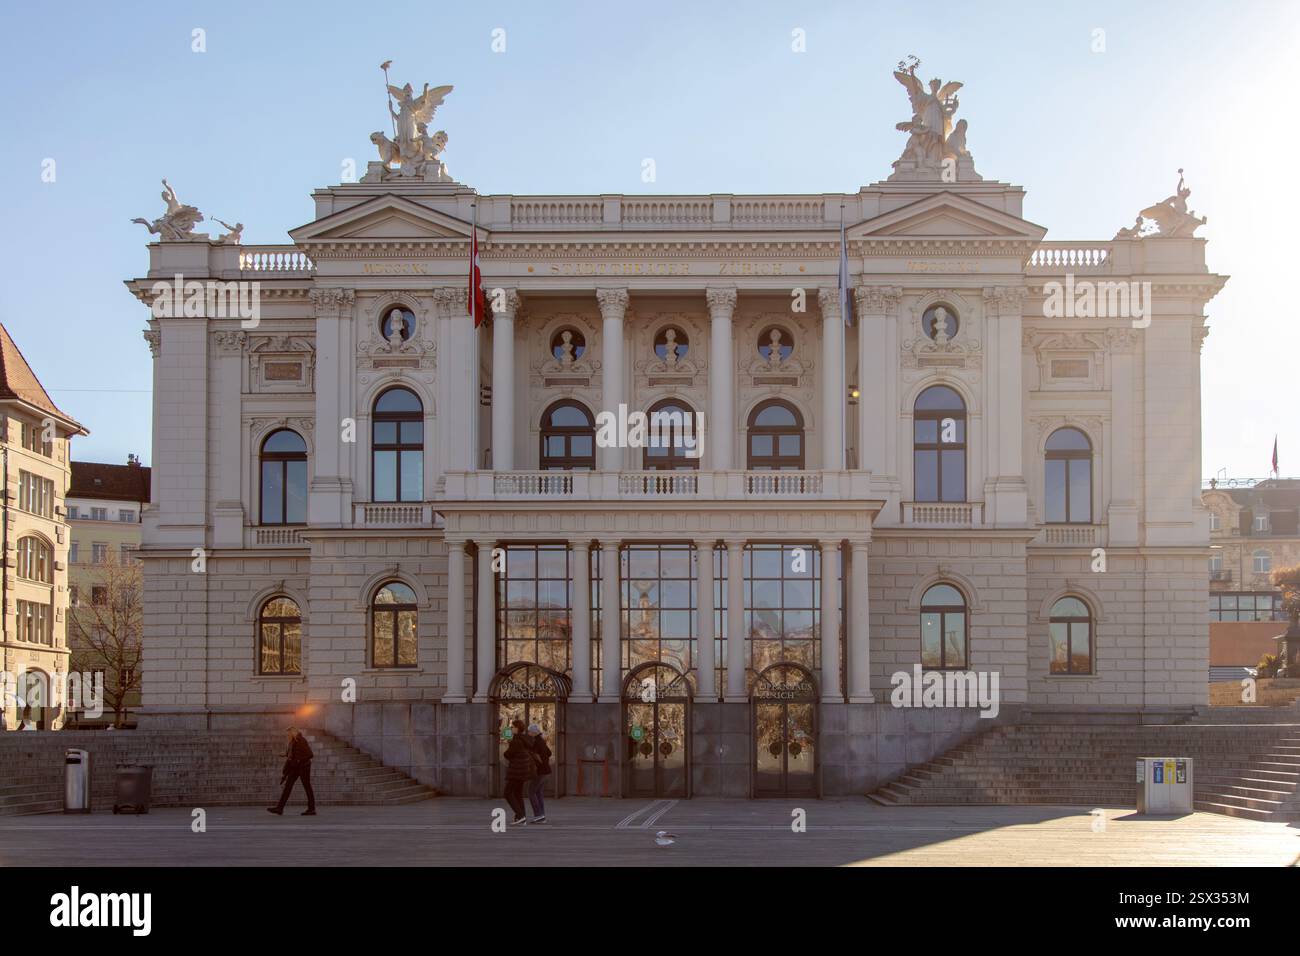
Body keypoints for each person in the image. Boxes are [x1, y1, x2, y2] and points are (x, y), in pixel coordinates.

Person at [268, 727, 316, 816]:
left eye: (289, 733)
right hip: (295, 768)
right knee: (288, 786)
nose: (288, 735)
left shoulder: (301, 740)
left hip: (303, 767)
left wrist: (298, 761)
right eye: (288, 734)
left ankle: (312, 809)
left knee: (307, 787)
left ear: (294, 732)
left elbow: (310, 754)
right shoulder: (293, 742)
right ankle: (279, 808)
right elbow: (294, 753)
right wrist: (286, 754)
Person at [502, 718, 536, 826]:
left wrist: (509, 744)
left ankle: (520, 815)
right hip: (523, 771)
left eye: (512, 727)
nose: (511, 729)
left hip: (516, 771)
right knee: (517, 793)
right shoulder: (524, 739)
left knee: (507, 793)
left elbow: (507, 754)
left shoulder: (516, 741)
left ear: (517, 728)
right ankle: (521, 818)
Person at [526, 723, 552, 824]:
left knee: (531, 792)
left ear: (533, 732)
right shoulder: (542, 741)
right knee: (538, 793)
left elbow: (535, 755)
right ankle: (542, 815)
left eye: (529, 731)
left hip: (540, 771)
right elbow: (549, 753)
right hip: (546, 771)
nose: (528, 733)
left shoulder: (536, 742)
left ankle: (539, 815)